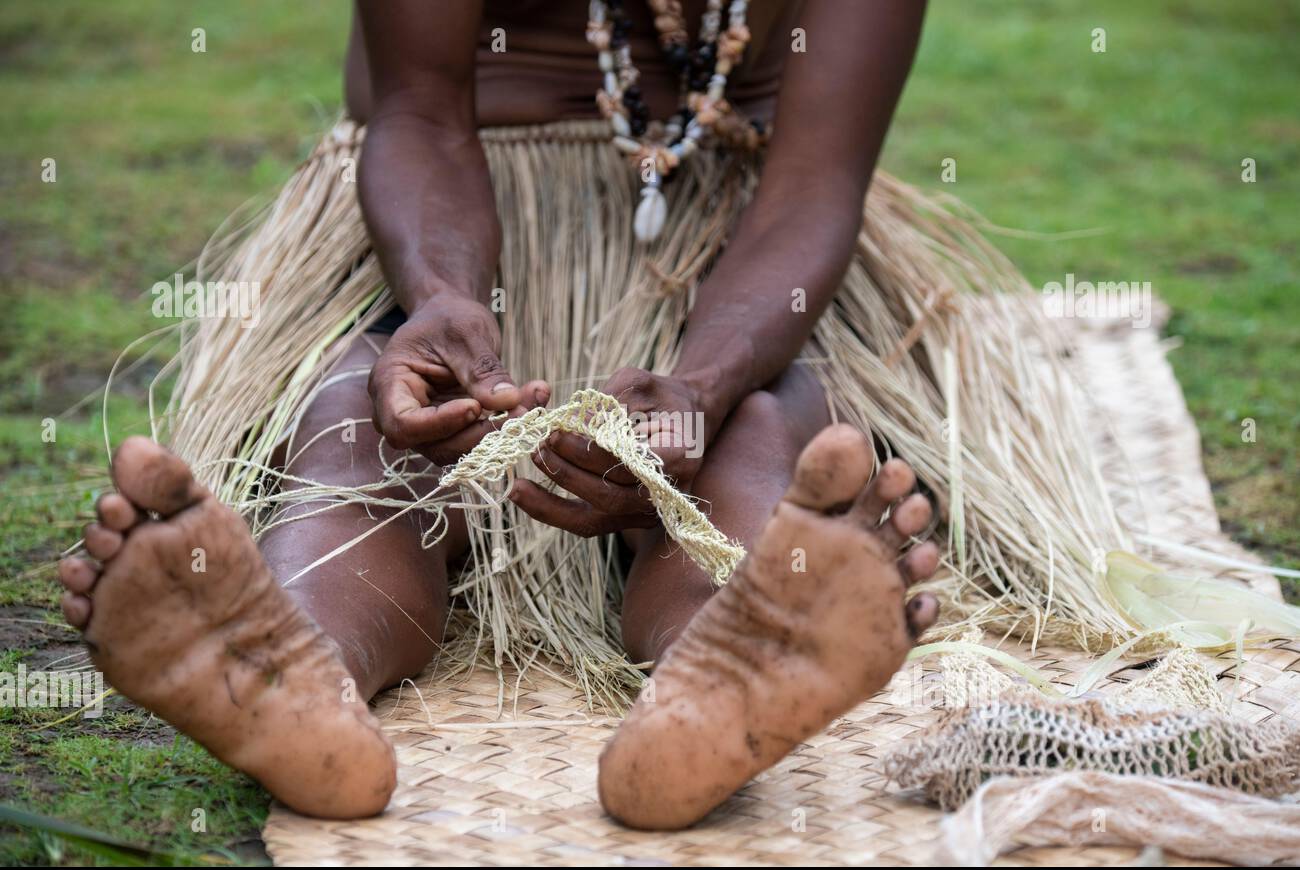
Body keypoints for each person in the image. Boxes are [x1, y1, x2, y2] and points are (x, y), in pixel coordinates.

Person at [58, 1, 944, 828]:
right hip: (446, 221)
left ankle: (726, 675)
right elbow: (421, 109)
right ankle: (290, 670)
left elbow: (814, 182)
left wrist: (703, 388)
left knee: (753, 444)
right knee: (365, 434)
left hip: (746, 259)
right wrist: (439, 300)